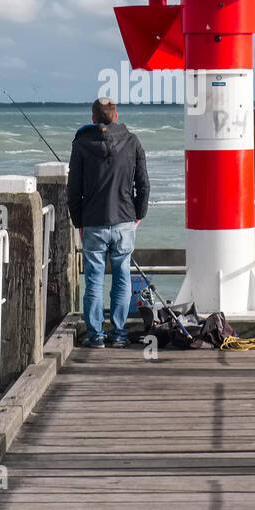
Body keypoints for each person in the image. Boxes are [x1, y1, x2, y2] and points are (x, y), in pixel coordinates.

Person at [68, 98, 149, 347]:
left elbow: (73, 190)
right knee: (122, 275)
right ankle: (120, 333)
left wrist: (78, 221)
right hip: (124, 220)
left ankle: (96, 336)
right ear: (116, 117)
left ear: (92, 118)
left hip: (93, 222)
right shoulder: (132, 141)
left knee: (94, 279)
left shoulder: (81, 143)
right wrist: (138, 215)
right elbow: (143, 185)